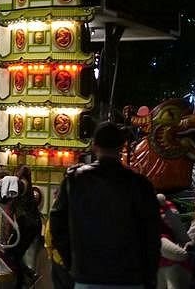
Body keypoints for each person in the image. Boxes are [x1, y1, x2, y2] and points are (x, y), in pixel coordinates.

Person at [49, 121, 160, 288]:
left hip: (87, 275)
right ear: (122, 146)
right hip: (130, 276)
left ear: (94, 145)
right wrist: (149, 274)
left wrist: (72, 262)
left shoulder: (75, 181)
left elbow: (57, 226)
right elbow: (151, 235)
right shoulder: (141, 184)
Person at [2, 165, 42, 288]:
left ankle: (26, 277)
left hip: (25, 224)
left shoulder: (19, 185)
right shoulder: (28, 185)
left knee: (11, 253)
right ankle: (26, 278)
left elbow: (10, 208)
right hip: (34, 224)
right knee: (16, 253)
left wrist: (7, 230)